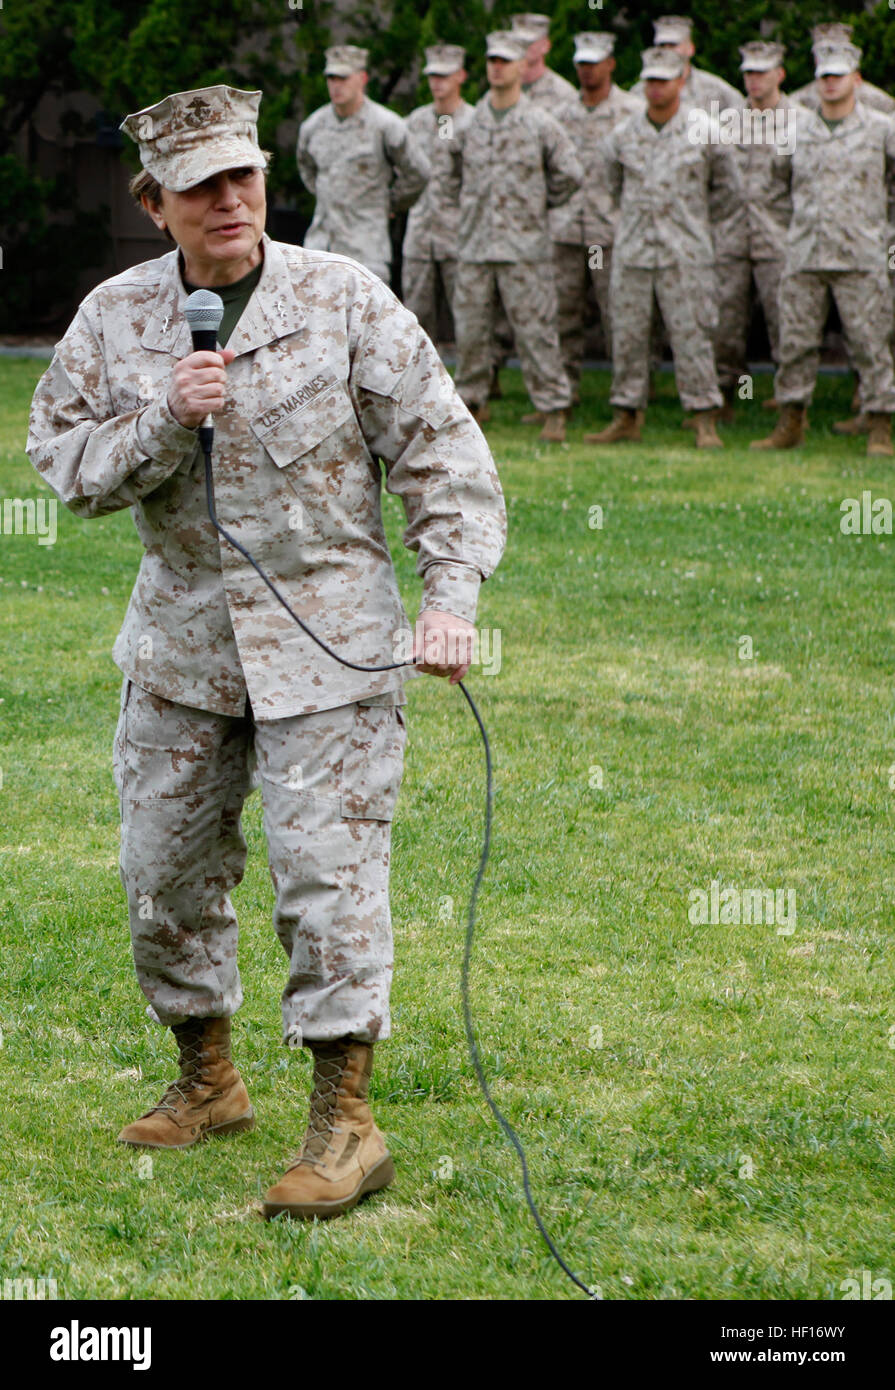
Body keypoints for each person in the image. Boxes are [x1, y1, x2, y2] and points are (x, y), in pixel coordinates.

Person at [26, 86, 506, 1221]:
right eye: (200, 187)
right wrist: (159, 420)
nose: (229, 200)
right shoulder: (114, 319)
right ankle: (208, 1079)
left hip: (331, 650)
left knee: (326, 883)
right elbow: (60, 461)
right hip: (182, 651)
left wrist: (448, 598)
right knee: (163, 876)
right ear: (156, 204)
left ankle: (346, 1127)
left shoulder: (343, 299)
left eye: (242, 177)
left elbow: (443, 456)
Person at [586, 47, 743, 449]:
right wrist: (623, 225)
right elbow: (604, 186)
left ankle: (704, 416)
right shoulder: (623, 134)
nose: (654, 88)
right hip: (635, 252)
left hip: (686, 254)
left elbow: (728, 190)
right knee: (628, 336)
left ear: (681, 82)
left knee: (693, 334)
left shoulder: (706, 131)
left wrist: (698, 227)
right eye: (649, 80)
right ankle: (626, 414)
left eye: (663, 80)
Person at [752, 41, 895, 456]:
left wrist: (879, 227)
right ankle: (791, 422)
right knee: (795, 342)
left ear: (856, 78)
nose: (830, 84)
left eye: (837, 75)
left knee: (871, 342)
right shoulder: (795, 131)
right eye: (823, 76)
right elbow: (775, 188)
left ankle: (880, 425)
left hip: (860, 255)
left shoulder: (881, 129)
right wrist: (794, 231)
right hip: (805, 255)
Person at [449, 31, 581, 443]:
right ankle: (470, 403)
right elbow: (454, 174)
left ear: (523, 67)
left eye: (506, 60)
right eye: (492, 60)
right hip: (474, 245)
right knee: (471, 331)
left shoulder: (541, 123)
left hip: (525, 248)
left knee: (536, 331)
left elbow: (570, 175)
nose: (497, 66)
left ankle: (553, 408)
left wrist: (535, 209)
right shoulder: (468, 123)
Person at [697, 41, 804, 423]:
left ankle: (790, 401)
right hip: (730, 236)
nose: (754, 80)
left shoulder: (801, 122)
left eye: (762, 72)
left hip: (779, 236)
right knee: (725, 320)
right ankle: (726, 393)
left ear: (780, 74)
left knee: (786, 319)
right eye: (748, 73)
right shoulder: (724, 122)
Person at [546, 32, 642, 420]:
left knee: (614, 315)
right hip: (567, 231)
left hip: (606, 236)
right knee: (561, 315)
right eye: (581, 63)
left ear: (611, 64)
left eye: (594, 63)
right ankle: (561, 396)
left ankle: (625, 402)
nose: (587, 70)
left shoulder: (631, 112)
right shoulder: (559, 113)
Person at [297, 45, 430, 286]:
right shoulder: (313, 126)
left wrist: (389, 201)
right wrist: (329, 194)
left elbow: (419, 172)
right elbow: (307, 169)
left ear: (362, 78)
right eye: (331, 78)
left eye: (343, 78)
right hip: (321, 248)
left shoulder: (386, 125)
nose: (336, 85)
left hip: (367, 250)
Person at [400, 43, 473, 344]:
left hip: (461, 234)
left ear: (461, 76)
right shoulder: (413, 123)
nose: (437, 82)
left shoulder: (474, 122)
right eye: (432, 76)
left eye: (444, 76)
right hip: (420, 235)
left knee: (470, 313)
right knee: (414, 315)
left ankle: (482, 379)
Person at [630, 14, 741, 109]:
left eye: (673, 45)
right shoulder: (639, 92)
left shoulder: (714, 89)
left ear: (690, 48)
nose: (667, 51)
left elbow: (742, 117)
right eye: (662, 45)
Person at [791, 23, 895, 116]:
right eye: (822, 51)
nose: (828, 57)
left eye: (834, 51)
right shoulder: (797, 102)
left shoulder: (877, 100)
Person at [510, 12, 577, 113]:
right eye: (519, 42)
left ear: (546, 45)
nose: (524, 47)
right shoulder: (503, 88)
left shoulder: (563, 94)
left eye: (530, 42)